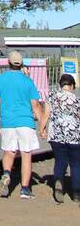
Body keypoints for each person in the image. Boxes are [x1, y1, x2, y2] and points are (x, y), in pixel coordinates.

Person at [0, 50, 46, 200]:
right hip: (25, 121)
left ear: (8, 63)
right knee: (26, 155)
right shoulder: (28, 81)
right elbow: (35, 105)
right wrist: (42, 124)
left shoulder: (0, 79)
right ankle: (25, 189)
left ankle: (6, 173)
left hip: (7, 121)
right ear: (21, 64)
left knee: (9, 151)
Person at [41, 73, 80, 204]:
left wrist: (42, 128)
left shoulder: (51, 97)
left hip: (56, 135)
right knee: (75, 164)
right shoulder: (76, 99)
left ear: (61, 85)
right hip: (74, 136)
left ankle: (58, 183)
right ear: (72, 86)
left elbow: (46, 114)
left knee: (60, 161)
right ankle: (76, 193)